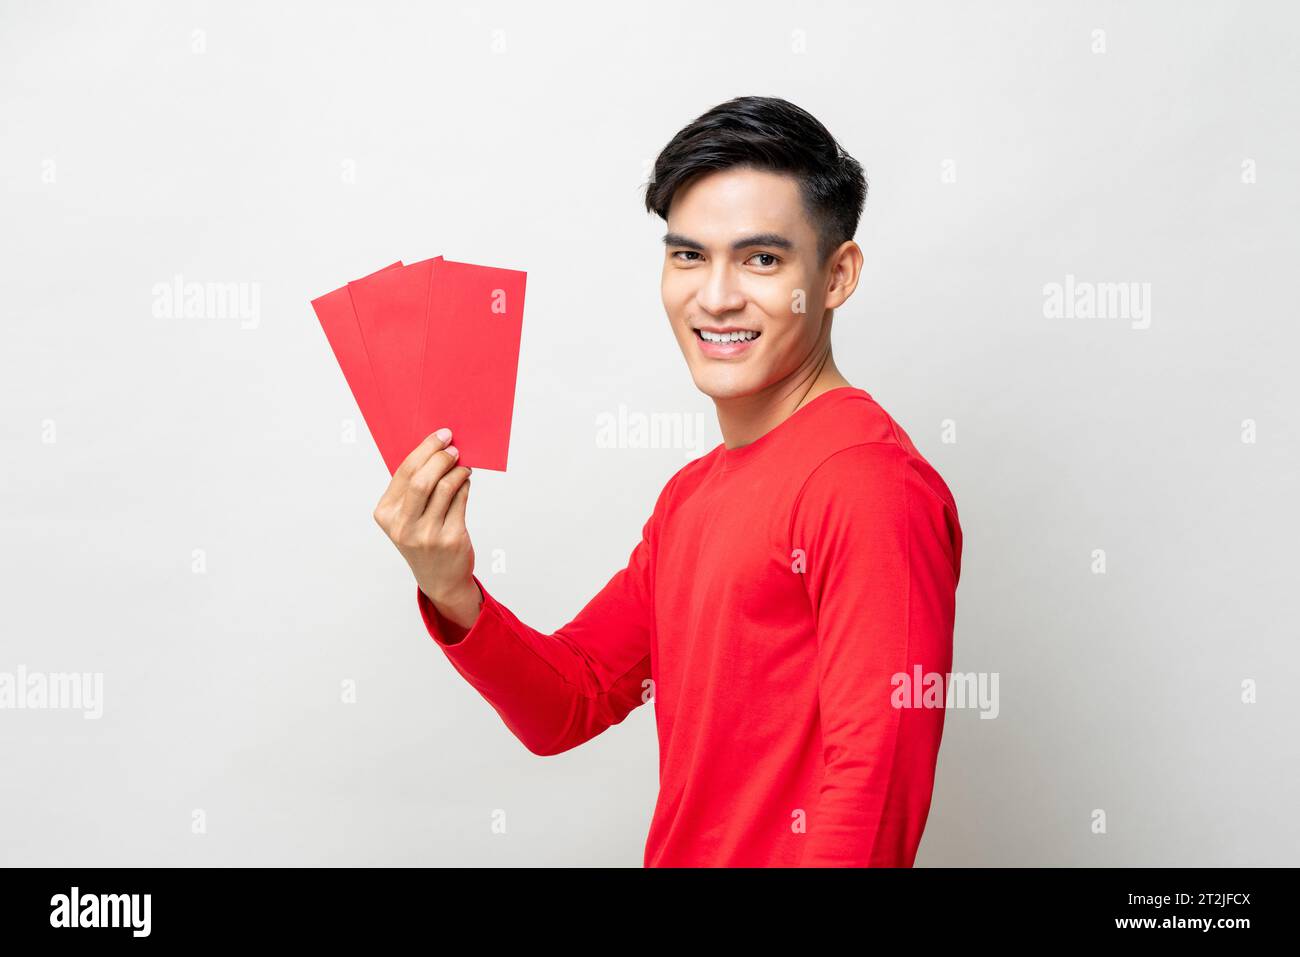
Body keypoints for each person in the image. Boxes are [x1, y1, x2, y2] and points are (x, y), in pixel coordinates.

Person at [371, 95, 963, 867]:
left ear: (836, 275)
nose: (714, 296)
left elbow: (871, 796)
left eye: (761, 259)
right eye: (689, 255)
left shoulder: (868, 483)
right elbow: (569, 700)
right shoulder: (690, 497)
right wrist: (451, 587)